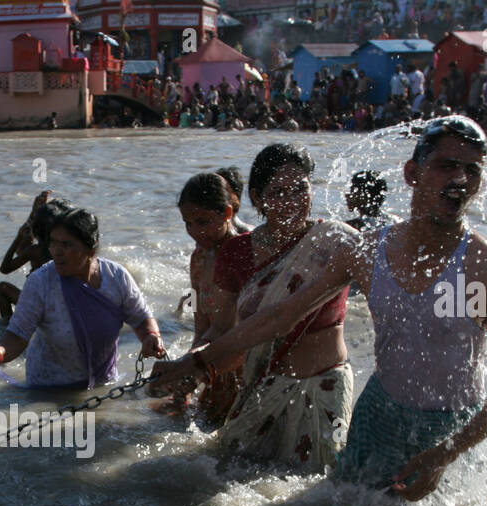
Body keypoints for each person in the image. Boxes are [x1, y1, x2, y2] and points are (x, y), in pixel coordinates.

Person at [152, 116, 487, 501]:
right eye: (447, 166)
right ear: (412, 173)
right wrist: (195, 362)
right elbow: (280, 317)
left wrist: (445, 454)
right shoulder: (368, 252)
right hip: (376, 414)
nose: (460, 180)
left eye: (472, 170)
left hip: (451, 430)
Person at [151, 144, 352, 473]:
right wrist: (187, 366)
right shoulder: (237, 253)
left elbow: (279, 319)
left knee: (313, 493)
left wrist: (194, 363)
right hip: (259, 389)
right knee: (222, 478)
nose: (291, 202)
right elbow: (220, 327)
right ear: (257, 198)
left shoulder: (334, 243)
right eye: (278, 192)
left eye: (301, 189)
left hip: (323, 390)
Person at [0, 207, 166, 388]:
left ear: (90, 249)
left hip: (102, 384)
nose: (56, 252)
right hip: (48, 389)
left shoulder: (116, 277)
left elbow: (141, 318)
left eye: (67, 245)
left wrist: (151, 336)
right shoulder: (41, 281)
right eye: (53, 243)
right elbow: (17, 334)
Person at [176, 171, 242, 422]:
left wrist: (195, 371)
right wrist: (187, 369)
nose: (193, 232)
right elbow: (201, 325)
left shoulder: (246, 254)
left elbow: (242, 330)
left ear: (226, 213)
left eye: (202, 222)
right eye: (187, 223)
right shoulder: (199, 258)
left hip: (243, 362)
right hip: (212, 363)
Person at [0, 190, 59, 320]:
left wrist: (17, 238)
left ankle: (8, 328)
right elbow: (25, 245)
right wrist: (34, 212)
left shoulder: (36, 250)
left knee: (2, 288)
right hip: (58, 307)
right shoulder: (64, 247)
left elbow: (5, 269)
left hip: (39, 307)